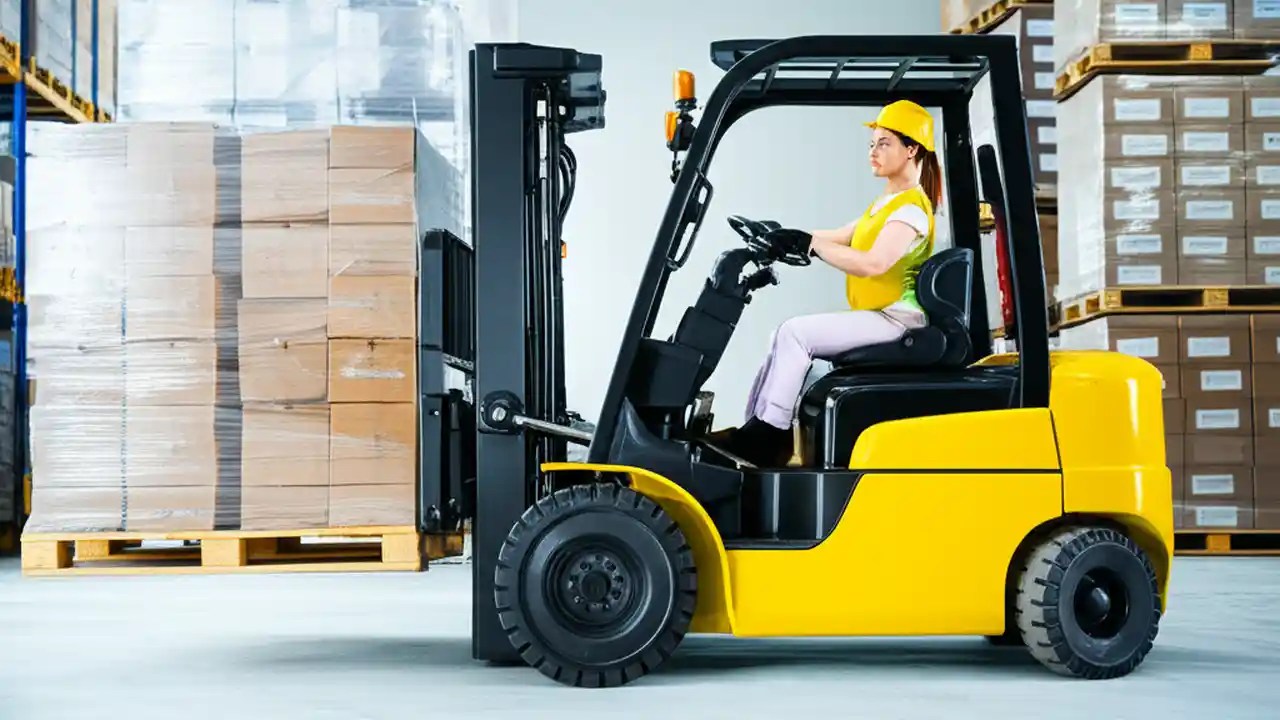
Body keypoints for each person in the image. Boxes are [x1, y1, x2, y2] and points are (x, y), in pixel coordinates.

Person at [714, 100, 944, 466]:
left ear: (912, 148)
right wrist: (782, 235)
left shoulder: (911, 210)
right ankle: (754, 430)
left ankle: (768, 437)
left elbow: (873, 263)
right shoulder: (886, 204)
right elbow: (839, 236)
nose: (873, 151)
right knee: (780, 336)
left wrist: (811, 245)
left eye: (884, 143)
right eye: (872, 143)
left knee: (795, 333)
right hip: (880, 314)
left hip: (898, 320)